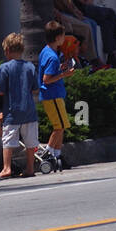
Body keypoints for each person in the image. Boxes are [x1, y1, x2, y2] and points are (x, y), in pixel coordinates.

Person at [0, 32, 39, 179]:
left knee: (8, 140)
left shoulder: (4, 68)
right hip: (29, 110)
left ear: (7, 50)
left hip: (12, 111)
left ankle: (6, 168)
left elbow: (0, 91)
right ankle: (30, 167)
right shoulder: (30, 66)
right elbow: (35, 89)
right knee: (31, 141)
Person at [38, 20, 75, 170]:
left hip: (53, 95)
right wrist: (64, 74)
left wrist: (60, 69)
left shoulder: (47, 52)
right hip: (51, 95)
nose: (64, 38)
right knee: (59, 126)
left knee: (62, 125)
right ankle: (48, 153)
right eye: (63, 35)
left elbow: (49, 72)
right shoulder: (52, 56)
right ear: (58, 37)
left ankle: (57, 155)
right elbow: (46, 80)